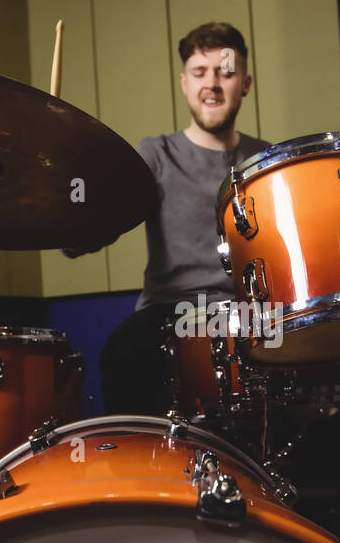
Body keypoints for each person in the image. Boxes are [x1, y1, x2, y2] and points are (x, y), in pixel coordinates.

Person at [65, 22, 270, 415]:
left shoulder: (265, 160)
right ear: (185, 83)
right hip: (171, 312)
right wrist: (65, 211)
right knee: (124, 351)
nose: (211, 84)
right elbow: (97, 227)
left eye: (225, 72)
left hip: (247, 312)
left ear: (245, 83)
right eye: (200, 72)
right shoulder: (155, 154)